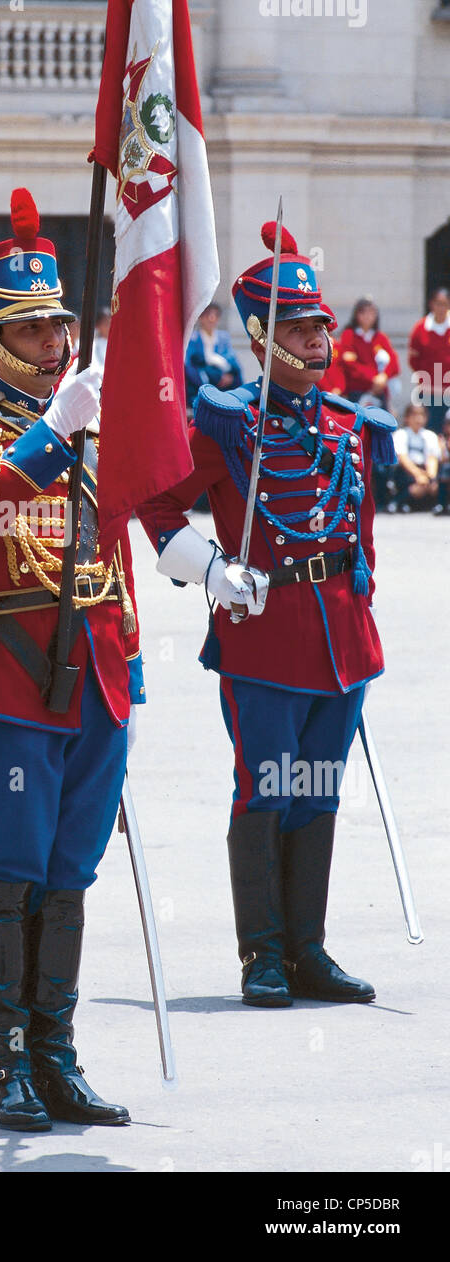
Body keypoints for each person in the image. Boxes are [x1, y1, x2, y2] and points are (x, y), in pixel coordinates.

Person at [0, 189, 144, 1131]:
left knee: (71, 871)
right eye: (35, 329)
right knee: (11, 868)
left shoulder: (90, 417)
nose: (56, 341)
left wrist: (129, 663)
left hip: (94, 677)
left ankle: (56, 1052)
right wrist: (56, 434)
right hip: (11, 683)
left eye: (60, 324)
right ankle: (5, 1061)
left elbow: (110, 544)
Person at [139, 220, 397, 1010]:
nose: (319, 340)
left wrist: (360, 611)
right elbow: (156, 505)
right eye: (300, 328)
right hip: (266, 638)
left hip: (341, 640)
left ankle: (307, 948)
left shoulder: (350, 427)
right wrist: (214, 572)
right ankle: (262, 955)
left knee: (318, 789)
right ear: (262, 337)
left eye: (321, 326)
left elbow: (363, 538)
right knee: (267, 788)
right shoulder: (227, 423)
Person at [334, 298, 399, 409]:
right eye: (363, 312)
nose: (367, 316)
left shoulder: (381, 338)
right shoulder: (349, 335)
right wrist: (373, 378)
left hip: (379, 392)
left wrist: (384, 376)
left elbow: (394, 362)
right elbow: (350, 364)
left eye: (371, 312)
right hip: (357, 391)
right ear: (356, 314)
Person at [184, 302, 243, 407]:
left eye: (215, 315)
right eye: (208, 316)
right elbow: (190, 364)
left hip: (224, 378)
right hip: (202, 380)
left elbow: (231, 358)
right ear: (201, 318)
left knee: (237, 378)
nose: (211, 319)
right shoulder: (193, 338)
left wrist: (228, 376)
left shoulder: (223, 337)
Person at [408, 287, 450, 432]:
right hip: (428, 393)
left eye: (444, 304)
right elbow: (413, 360)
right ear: (431, 304)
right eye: (438, 303)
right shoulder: (420, 328)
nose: (441, 308)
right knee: (430, 432)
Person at [387, 403, 440, 513]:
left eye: (422, 415)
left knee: (435, 484)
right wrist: (418, 475)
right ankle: (397, 502)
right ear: (407, 418)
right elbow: (403, 458)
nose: (418, 419)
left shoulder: (430, 435)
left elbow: (432, 458)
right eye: (414, 415)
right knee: (413, 485)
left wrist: (430, 477)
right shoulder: (401, 434)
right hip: (406, 471)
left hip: (424, 469)